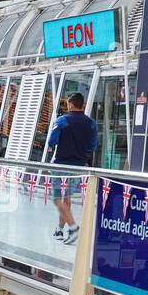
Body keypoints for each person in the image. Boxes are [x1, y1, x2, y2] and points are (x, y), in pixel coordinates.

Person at [46, 91, 97, 243]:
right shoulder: (91, 123)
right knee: (66, 198)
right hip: (78, 166)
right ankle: (60, 230)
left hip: (61, 164)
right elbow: (93, 145)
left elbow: (51, 141)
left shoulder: (62, 120)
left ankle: (73, 227)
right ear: (83, 105)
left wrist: (53, 145)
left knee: (56, 199)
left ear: (70, 105)